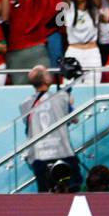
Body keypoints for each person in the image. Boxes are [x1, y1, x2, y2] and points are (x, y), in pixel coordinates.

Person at [21, 64, 80, 192]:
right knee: (73, 189)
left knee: (45, 193)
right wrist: (69, 102)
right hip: (63, 152)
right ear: (47, 80)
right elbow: (74, 119)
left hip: (39, 155)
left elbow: (27, 124)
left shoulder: (25, 104)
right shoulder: (62, 97)